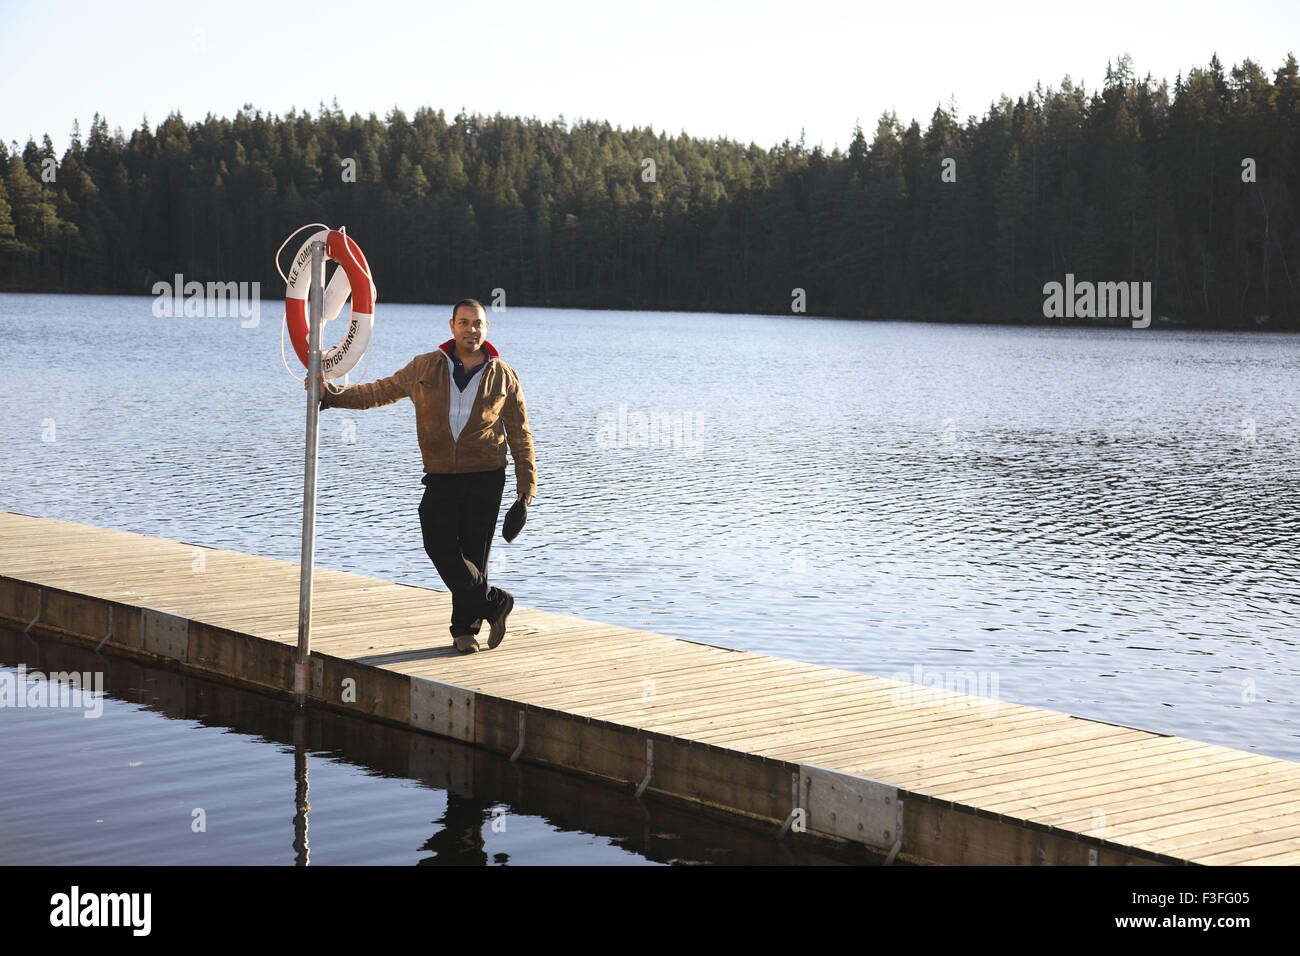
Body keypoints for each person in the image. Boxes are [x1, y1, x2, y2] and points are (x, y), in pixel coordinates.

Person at [311, 298, 537, 653]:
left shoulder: (503, 374)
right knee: (438, 543)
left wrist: (526, 491)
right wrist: (333, 396)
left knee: (475, 556)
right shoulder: (425, 367)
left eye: (477, 323)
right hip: (441, 476)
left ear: (486, 328)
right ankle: (494, 603)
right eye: (464, 323)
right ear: (452, 326)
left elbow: (520, 433)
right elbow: (380, 391)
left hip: (486, 477)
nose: (471, 329)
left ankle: (464, 631)